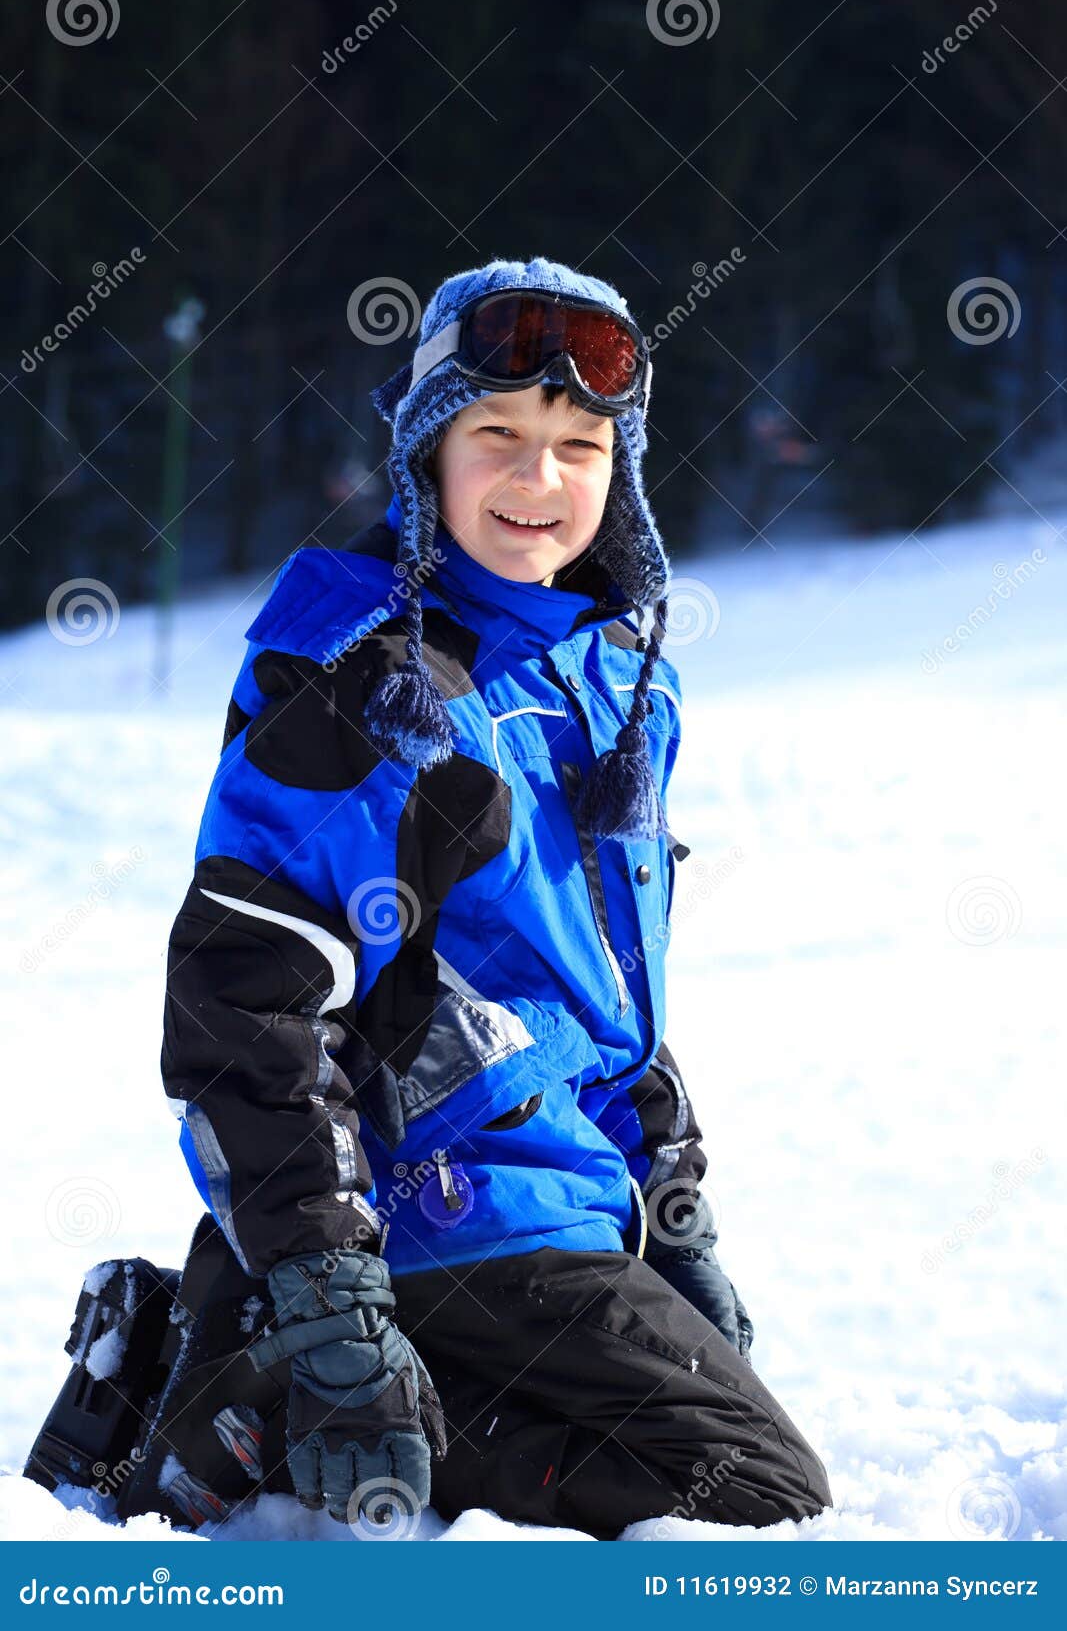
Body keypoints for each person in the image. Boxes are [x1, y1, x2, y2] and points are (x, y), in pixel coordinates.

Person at [158, 255, 832, 1539]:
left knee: (719, 1455)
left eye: (580, 445)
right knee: (756, 1496)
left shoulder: (609, 678)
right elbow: (240, 995)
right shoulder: (380, 681)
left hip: (557, 1197)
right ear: (427, 456)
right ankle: (279, 1414)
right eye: (498, 436)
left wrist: (670, 1205)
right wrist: (329, 1290)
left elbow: (595, 993)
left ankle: (220, 1357)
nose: (540, 480)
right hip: (439, 1210)